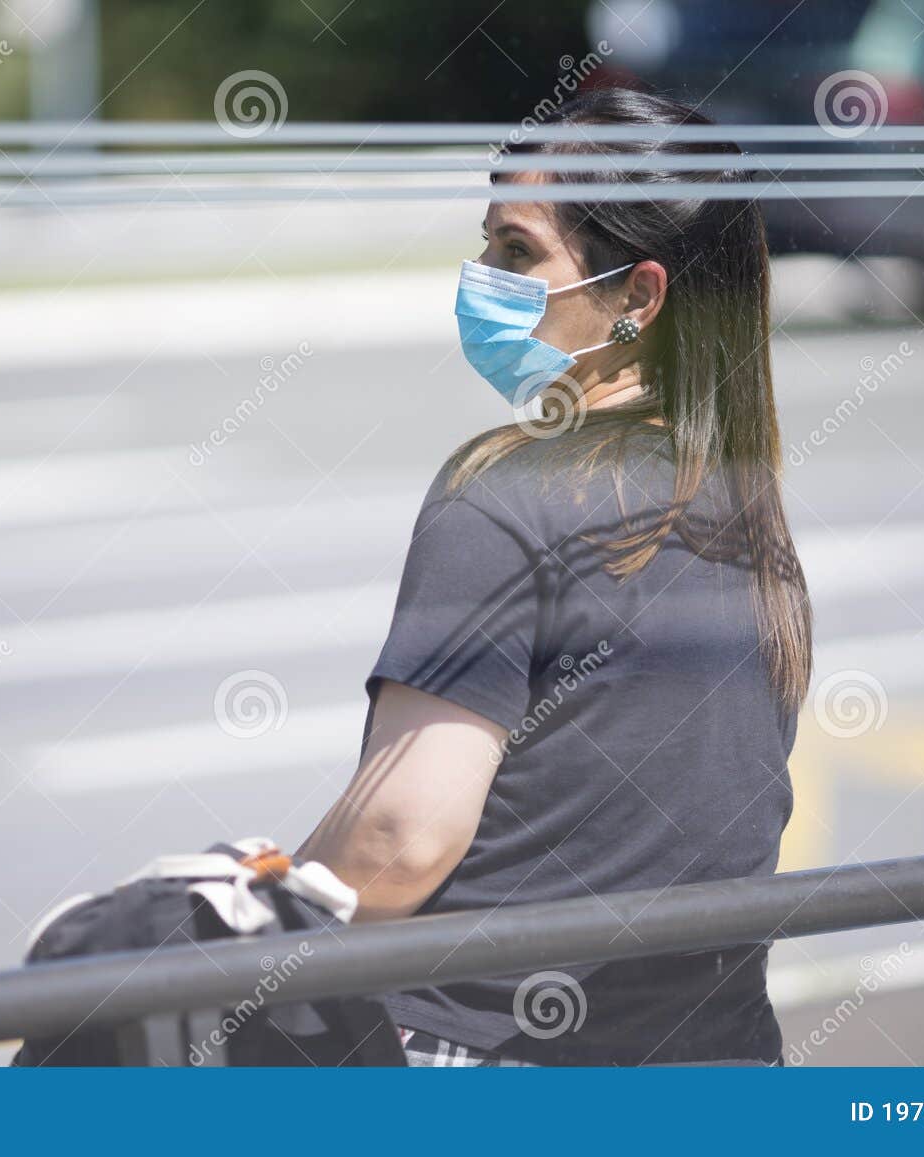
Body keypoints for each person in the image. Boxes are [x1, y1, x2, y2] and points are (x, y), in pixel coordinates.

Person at [298, 88, 812, 1067]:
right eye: (486, 244)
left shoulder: (502, 491)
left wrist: (267, 925)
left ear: (637, 297)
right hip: (724, 1060)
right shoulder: (748, 514)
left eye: (517, 251)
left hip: (487, 1053)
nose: (480, 277)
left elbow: (403, 835)